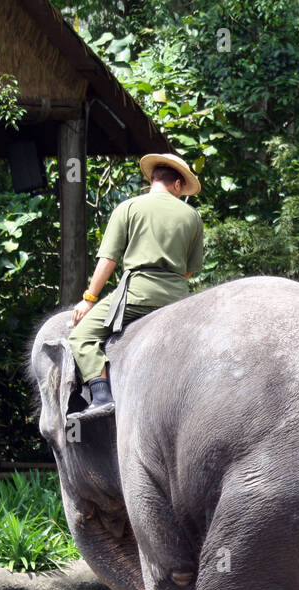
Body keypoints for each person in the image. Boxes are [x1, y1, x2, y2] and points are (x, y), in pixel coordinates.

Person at [67, 152, 204, 422]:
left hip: (137, 293)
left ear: (153, 179)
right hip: (178, 298)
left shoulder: (129, 208)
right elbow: (190, 269)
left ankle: (102, 397)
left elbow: (108, 260)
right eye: (182, 190)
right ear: (177, 184)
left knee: (81, 337)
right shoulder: (192, 217)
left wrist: (89, 298)